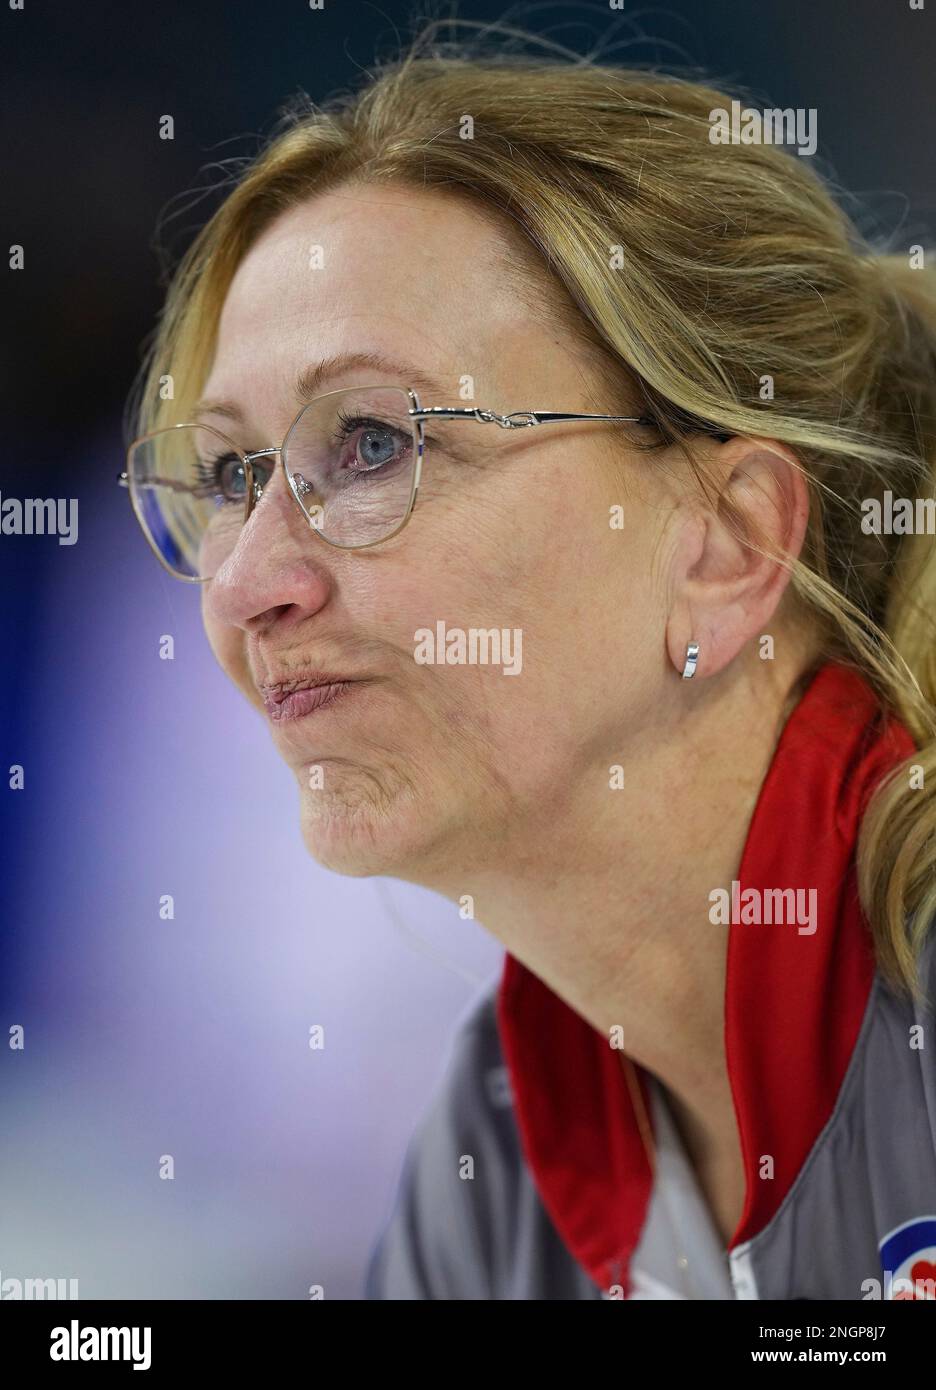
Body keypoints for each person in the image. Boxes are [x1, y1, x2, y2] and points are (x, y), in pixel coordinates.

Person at [121, 23, 936, 1299]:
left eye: (375, 444)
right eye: (233, 473)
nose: (242, 583)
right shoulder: (497, 1140)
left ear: (726, 546)